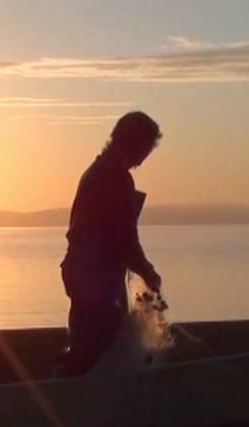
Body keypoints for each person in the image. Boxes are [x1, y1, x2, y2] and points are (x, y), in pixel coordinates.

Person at [58, 111, 163, 376]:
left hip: (84, 275)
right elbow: (123, 237)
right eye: (148, 147)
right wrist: (148, 272)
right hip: (94, 281)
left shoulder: (96, 171)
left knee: (87, 346)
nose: (146, 155)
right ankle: (70, 399)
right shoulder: (114, 177)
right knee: (95, 351)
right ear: (135, 142)